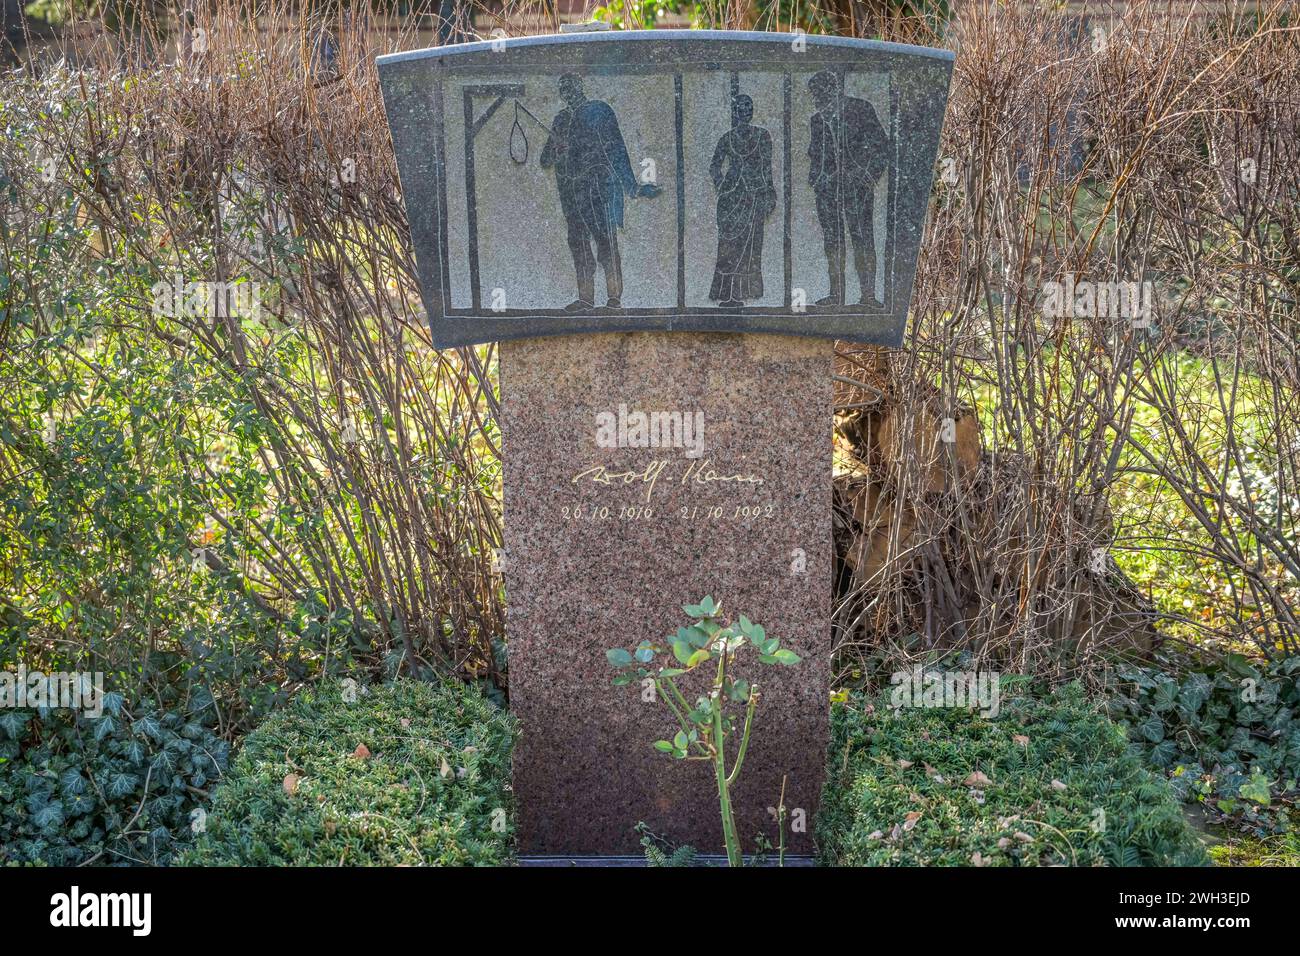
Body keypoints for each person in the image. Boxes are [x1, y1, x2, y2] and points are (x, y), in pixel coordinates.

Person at [539, 73, 661, 312]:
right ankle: (586, 298)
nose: (568, 93)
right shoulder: (561, 119)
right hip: (572, 192)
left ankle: (614, 297)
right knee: (578, 243)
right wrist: (557, 147)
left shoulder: (599, 111)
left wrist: (632, 186)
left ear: (580, 87)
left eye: (571, 87)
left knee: (606, 240)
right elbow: (545, 160)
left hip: (598, 187)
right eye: (563, 90)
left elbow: (617, 149)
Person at [807, 70, 889, 307]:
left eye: (819, 94)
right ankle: (836, 294)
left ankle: (868, 296)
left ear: (832, 90)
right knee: (832, 241)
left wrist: (867, 176)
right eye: (814, 96)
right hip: (826, 189)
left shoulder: (860, 109)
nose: (816, 100)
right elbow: (814, 153)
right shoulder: (817, 120)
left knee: (862, 238)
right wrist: (816, 178)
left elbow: (882, 145)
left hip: (857, 187)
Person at [708, 94, 776, 307]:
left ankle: (741, 293)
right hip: (731, 198)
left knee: (750, 246)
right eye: (741, 108)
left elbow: (766, 168)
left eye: (749, 107)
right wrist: (723, 186)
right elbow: (714, 166)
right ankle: (727, 293)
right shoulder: (727, 138)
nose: (746, 111)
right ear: (735, 112)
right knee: (728, 245)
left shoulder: (762, 136)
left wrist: (769, 193)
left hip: (753, 196)